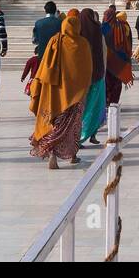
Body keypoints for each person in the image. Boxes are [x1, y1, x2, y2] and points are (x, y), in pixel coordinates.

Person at [29, 10, 91, 168]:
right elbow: (88, 70)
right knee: (74, 127)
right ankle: (72, 156)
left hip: (56, 93)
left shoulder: (55, 41)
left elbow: (45, 66)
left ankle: (53, 156)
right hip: (76, 95)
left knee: (55, 125)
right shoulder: (83, 44)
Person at [78, 8, 108, 145]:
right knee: (96, 105)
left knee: (84, 106)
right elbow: (103, 53)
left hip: (83, 77)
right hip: (98, 74)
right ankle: (91, 134)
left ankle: (79, 136)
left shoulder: (79, 32)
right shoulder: (98, 31)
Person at [100, 6, 134, 108]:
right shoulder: (121, 27)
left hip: (106, 61)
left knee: (107, 83)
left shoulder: (102, 28)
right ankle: (114, 103)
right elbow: (126, 42)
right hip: (119, 59)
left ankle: (107, 103)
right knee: (116, 83)